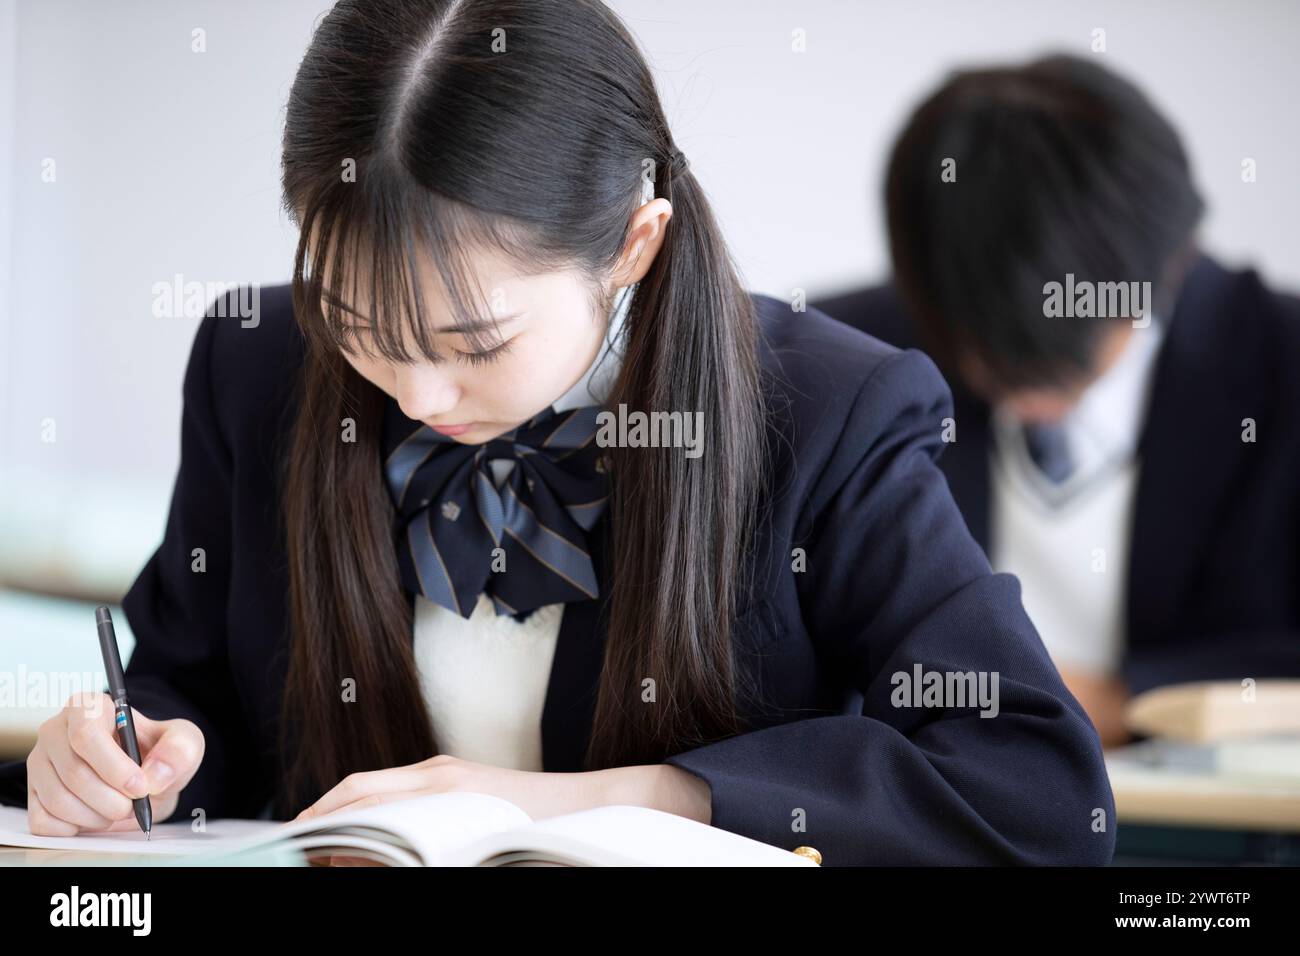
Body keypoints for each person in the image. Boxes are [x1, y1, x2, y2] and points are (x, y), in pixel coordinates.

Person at [0, 2, 1114, 865]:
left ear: (633, 243)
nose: (415, 389)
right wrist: (124, 759)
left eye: (475, 339)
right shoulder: (257, 364)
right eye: (356, 323)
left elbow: (1039, 788)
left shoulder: (827, 410)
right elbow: (186, 688)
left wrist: (612, 798)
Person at [815, 54, 1300, 748]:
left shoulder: (1282, 367)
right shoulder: (856, 357)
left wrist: (1128, 697)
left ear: (1168, 260)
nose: (1017, 387)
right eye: (980, 352)